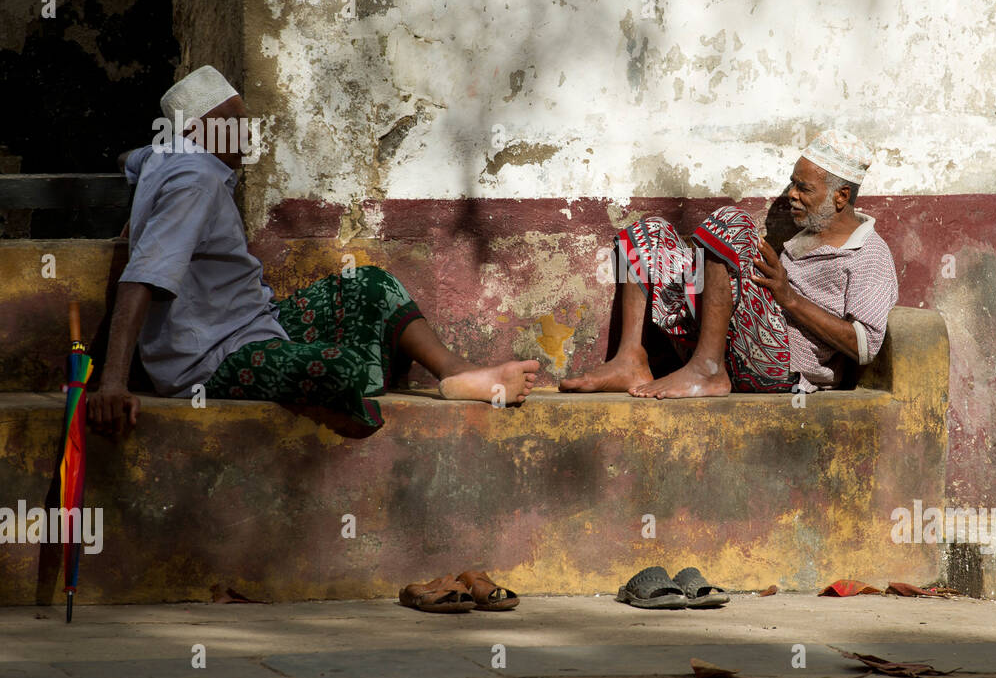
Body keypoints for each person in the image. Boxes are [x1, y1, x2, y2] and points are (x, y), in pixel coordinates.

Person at [87, 65, 538, 437]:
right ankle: (379, 369)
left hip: (251, 323)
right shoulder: (194, 180)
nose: (246, 135)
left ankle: (456, 372)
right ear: (193, 130)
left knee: (371, 284)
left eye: (245, 123)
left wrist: (141, 205)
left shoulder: (164, 156)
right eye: (232, 124)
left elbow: (127, 158)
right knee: (342, 371)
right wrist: (112, 382)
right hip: (212, 359)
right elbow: (143, 274)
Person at [561, 130, 897, 398]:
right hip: (735, 348)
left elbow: (864, 346)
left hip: (782, 370)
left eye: (804, 187)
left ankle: (708, 369)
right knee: (650, 232)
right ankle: (630, 359)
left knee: (732, 222)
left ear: (840, 197)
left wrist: (788, 297)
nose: (792, 194)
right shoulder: (801, 240)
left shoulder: (870, 254)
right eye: (793, 183)